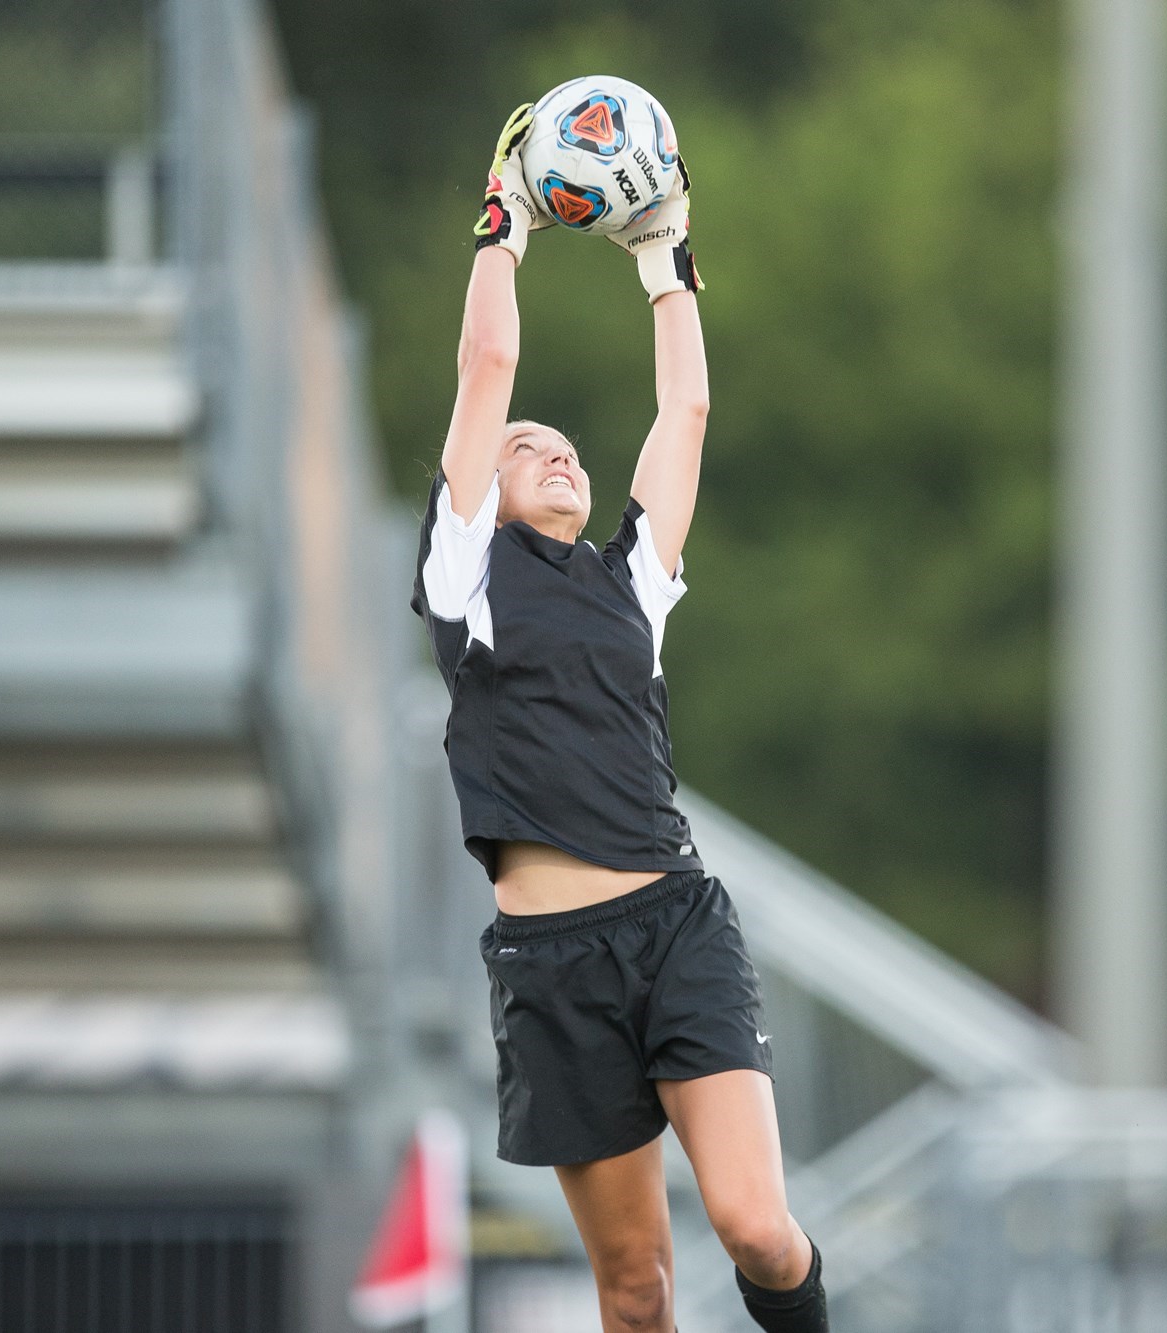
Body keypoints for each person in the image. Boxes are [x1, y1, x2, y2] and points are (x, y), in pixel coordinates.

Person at [410, 102, 827, 1333]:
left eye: (568, 448)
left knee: (756, 1226)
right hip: (551, 968)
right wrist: (505, 222)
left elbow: (683, 414)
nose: (554, 452)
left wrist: (666, 262)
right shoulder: (462, 578)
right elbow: (487, 369)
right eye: (525, 447)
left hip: (672, 925)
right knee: (636, 1290)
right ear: (476, 487)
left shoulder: (629, 580)